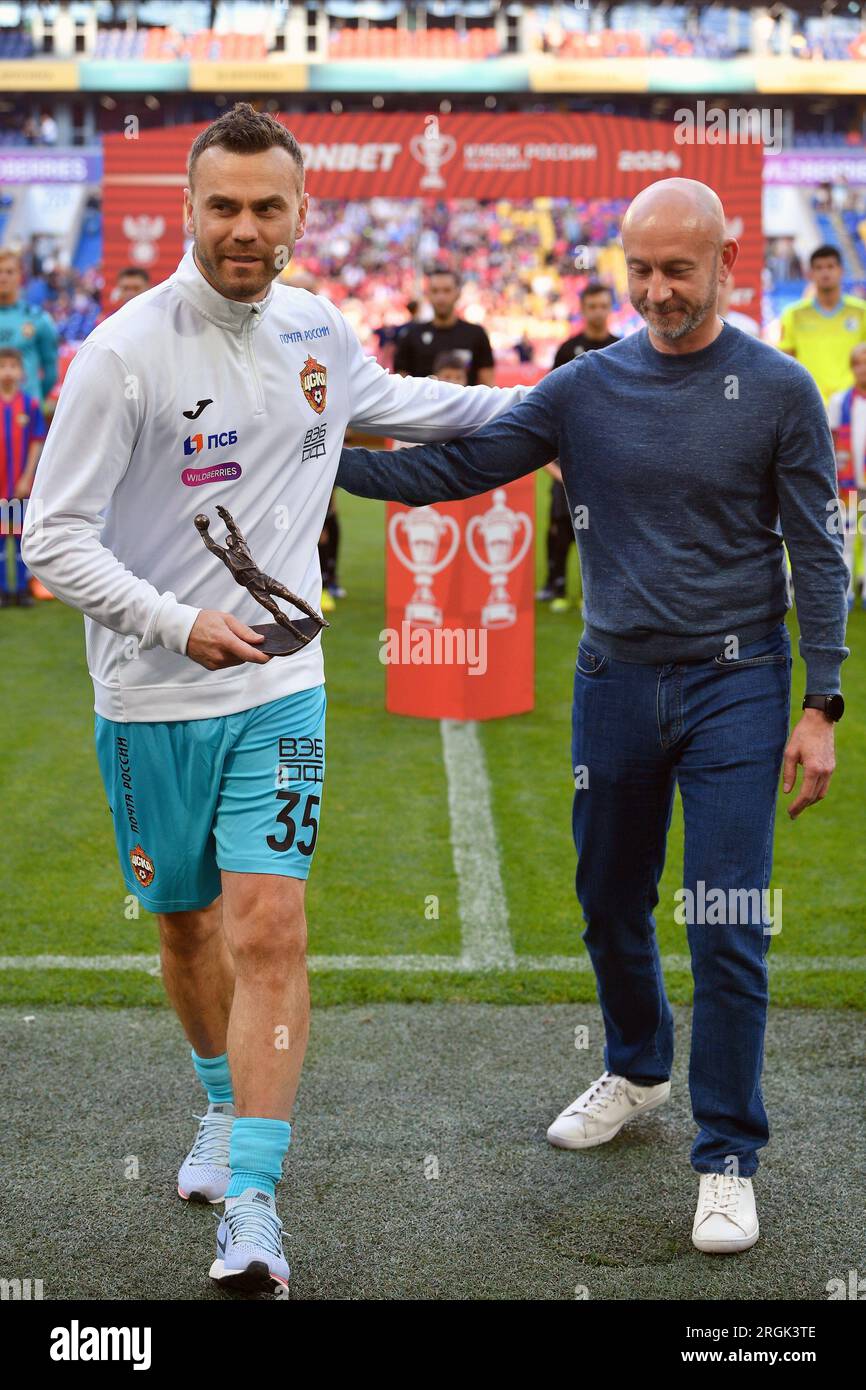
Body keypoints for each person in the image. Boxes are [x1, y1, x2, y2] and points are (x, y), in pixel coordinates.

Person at [21, 101, 529, 1297]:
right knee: (186, 927)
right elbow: (52, 534)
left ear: (301, 215)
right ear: (187, 211)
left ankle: (252, 1203)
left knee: (268, 931)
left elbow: (416, 406)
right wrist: (173, 620)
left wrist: (560, 405)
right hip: (150, 701)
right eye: (223, 205)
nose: (245, 227)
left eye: (267, 206)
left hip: (280, 691)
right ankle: (212, 1104)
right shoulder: (123, 354)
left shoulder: (314, 326)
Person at [336, 177, 849, 1257]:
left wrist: (821, 702)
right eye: (640, 272)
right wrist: (309, 464)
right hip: (613, 680)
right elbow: (457, 466)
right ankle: (635, 1066)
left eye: (677, 271)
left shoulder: (779, 389)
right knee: (607, 897)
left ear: (721, 267)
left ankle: (725, 1154)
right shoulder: (585, 387)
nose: (657, 292)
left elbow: (816, 549)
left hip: (736, 683)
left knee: (722, 918)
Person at [537, 282, 619, 611]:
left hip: (608, 457)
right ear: (583, 310)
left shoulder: (621, 348)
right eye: (592, 306)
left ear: (609, 309)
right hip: (570, 455)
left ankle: (596, 590)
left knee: (605, 527)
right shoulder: (566, 349)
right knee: (560, 522)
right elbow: (551, 400)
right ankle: (554, 582)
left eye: (603, 305)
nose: (597, 312)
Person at [779, 244, 866, 402]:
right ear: (810, 274)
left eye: (830, 266)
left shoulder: (861, 312)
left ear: (841, 271)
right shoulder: (794, 315)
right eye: (818, 268)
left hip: (851, 404)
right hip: (810, 402)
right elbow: (785, 361)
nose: (825, 272)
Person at [394, 268, 495, 386]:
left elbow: (487, 385)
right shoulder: (410, 335)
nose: (441, 297)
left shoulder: (477, 334)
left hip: (465, 404)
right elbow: (401, 386)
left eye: (447, 290)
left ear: (458, 293)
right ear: (428, 294)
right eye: (435, 291)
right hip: (424, 404)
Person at [0, 346, 45, 606]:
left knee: (22, 540)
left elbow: (37, 442)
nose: (7, 371)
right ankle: (4, 589)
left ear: (21, 372)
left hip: (20, 486)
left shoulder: (30, 405)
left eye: (12, 366)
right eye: (3, 366)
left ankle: (23, 589)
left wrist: (27, 477)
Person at [827, 341, 866, 608]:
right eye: (860, 362)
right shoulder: (840, 401)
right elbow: (830, 439)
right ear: (853, 367)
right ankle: (846, 591)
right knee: (848, 534)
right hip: (847, 478)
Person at [0, 249, 58, 404]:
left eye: (9, 272)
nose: (3, 277)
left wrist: (33, 399)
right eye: (0, 271)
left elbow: (50, 372)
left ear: (20, 276)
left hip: (25, 415)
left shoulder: (38, 319)